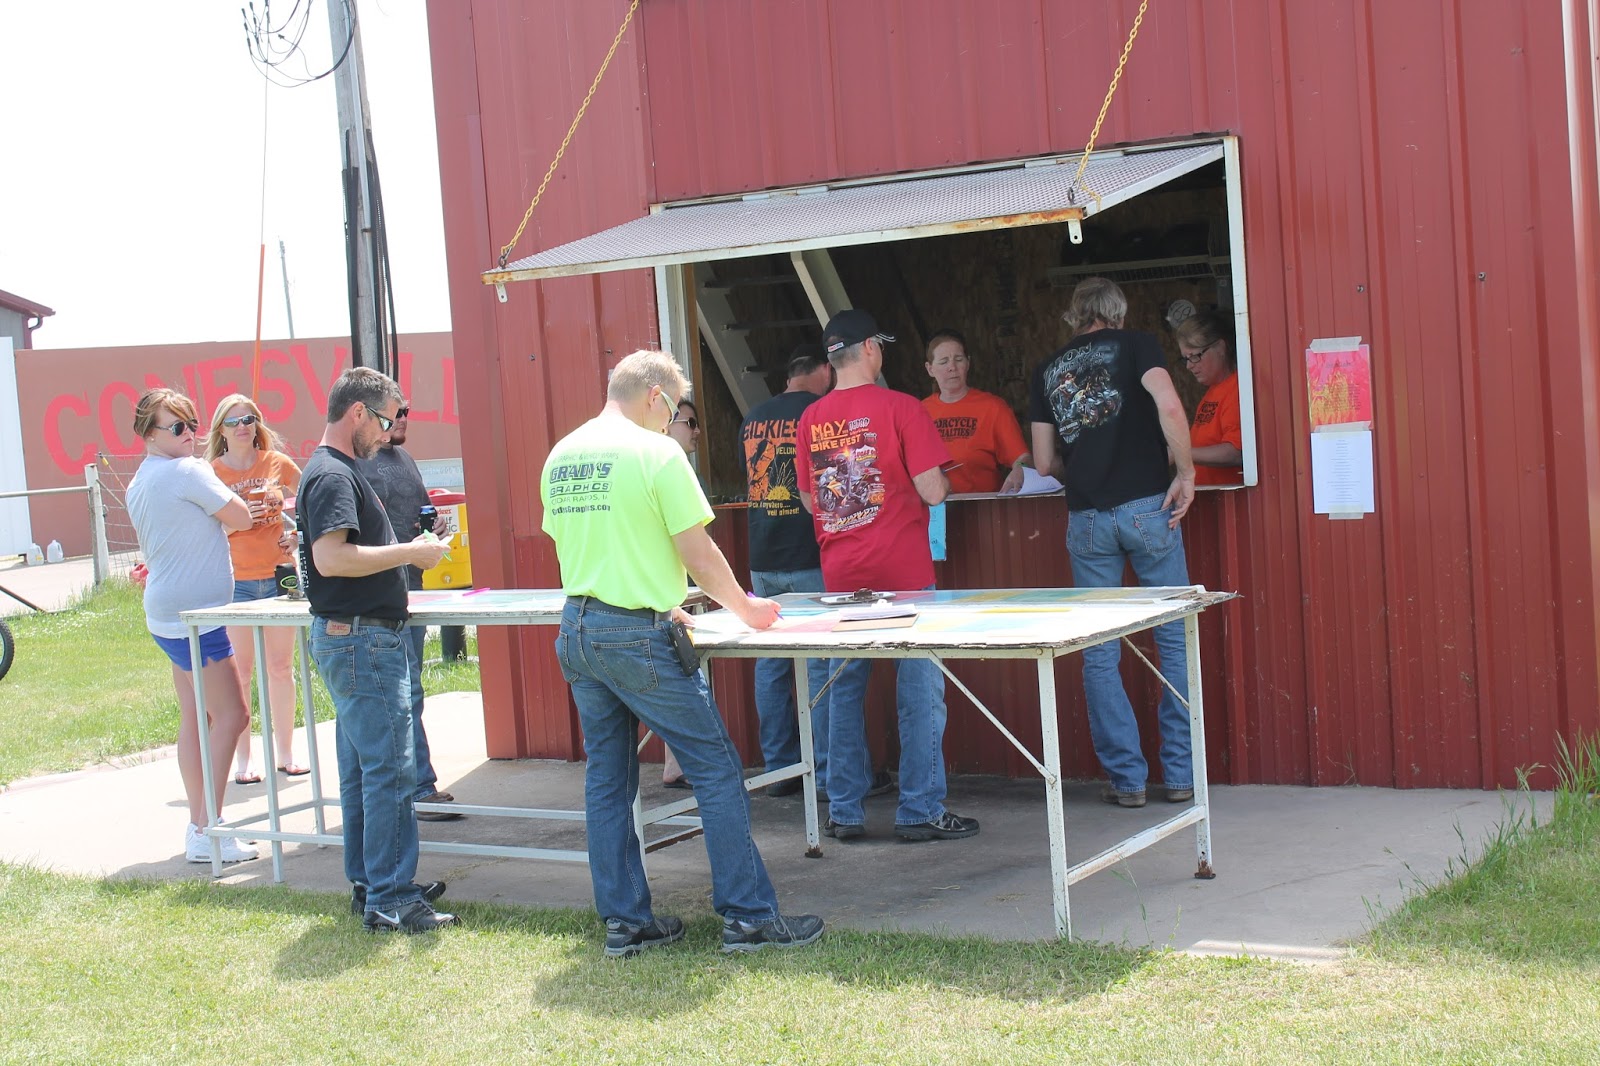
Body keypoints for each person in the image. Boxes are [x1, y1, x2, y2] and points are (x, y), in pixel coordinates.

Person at [540, 348, 824, 957]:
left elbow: (584, 543)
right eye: (673, 408)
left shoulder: (563, 454)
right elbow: (696, 551)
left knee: (608, 778)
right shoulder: (657, 452)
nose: (675, 421)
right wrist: (746, 610)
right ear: (653, 396)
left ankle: (626, 921)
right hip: (638, 633)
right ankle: (748, 917)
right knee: (716, 768)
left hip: (579, 627)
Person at [795, 310, 980, 843]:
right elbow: (932, 491)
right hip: (904, 574)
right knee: (918, 689)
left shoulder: (811, 420)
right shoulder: (903, 408)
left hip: (841, 574)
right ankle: (920, 809)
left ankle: (846, 812)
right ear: (871, 349)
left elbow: (812, 499)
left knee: (843, 690)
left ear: (832, 359)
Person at [1027, 277, 1197, 809]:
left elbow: (1044, 462)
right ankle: (1180, 777)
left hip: (1088, 519)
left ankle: (1127, 781)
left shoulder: (1046, 371)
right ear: (1117, 314)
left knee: (1100, 652)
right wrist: (1186, 471)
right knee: (1172, 641)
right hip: (1150, 508)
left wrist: (1086, 469)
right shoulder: (1138, 344)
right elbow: (1169, 406)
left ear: (1075, 317)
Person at [299, 367, 455, 933]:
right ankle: (392, 896)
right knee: (390, 768)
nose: (389, 433)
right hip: (361, 638)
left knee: (365, 769)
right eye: (386, 420)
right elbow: (332, 560)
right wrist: (410, 552)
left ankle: (374, 883)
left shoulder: (333, 470)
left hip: (354, 636)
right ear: (358, 412)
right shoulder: (334, 476)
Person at [126, 387, 260, 865]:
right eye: (177, 427)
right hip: (195, 619)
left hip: (169, 615)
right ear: (149, 432)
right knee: (232, 716)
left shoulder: (142, 479)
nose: (190, 434)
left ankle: (201, 827)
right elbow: (241, 517)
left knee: (197, 717)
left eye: (192, 424)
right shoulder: (187, 471)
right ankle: (208, 828)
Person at [355, 401, 463, 821]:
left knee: (409, 692)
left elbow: (421, 514)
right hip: (374, 596)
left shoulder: (404, 460)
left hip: (411, 590)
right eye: (394, 412)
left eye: (407, 411)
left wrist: (434, 528)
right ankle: (415, 790)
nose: (402, 419)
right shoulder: (357, 465)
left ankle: (414, 787)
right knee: (395, 696)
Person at [739, 344, 835, 798]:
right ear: (822, 371)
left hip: (763, 556)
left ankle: (779, 769)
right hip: (807, 552)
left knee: (772, 665)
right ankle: (823, 770)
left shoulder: (752, 417)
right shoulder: (820, 412)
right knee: (819, 664)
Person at [205, 393, 306, 784]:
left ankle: (286, 753)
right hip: (237, 581)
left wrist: (297, 533)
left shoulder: (276, 463)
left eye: (249, 419)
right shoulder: (211, 473)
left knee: (281, 668)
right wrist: (240, 521)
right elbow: (205, 529)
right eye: (233, 421)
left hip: (280, 574)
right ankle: (244, 760)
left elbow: (314, 497)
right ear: (221, 431)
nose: (243, 426)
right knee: (241, 673)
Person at [921, 329, 1032, 494]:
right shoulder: (918, 412)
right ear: (930, 369)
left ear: (968, 363)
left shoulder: (992, 407)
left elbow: (1023, 459)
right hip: (933, 511)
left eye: (958, 359)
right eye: (944, 362)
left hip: (982, 508)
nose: (952, 367)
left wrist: (1020, 470)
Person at [658, 395, 701, 790]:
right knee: (682, 679)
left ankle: (676, 762)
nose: (695, 431)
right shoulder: (665, 465)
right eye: (688, 423)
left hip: (668, 597)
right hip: (656, 606)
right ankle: (685, 762)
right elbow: (694, 547)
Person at [1174, 311, 1244, 487]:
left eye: (1195, 356)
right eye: (1186, 359)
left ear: (1220, 347)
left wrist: (1178, 453)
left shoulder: (1236, 389)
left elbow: (1235, 452)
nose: (1190, 366)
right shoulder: (1213, 391)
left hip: (1229, 499)